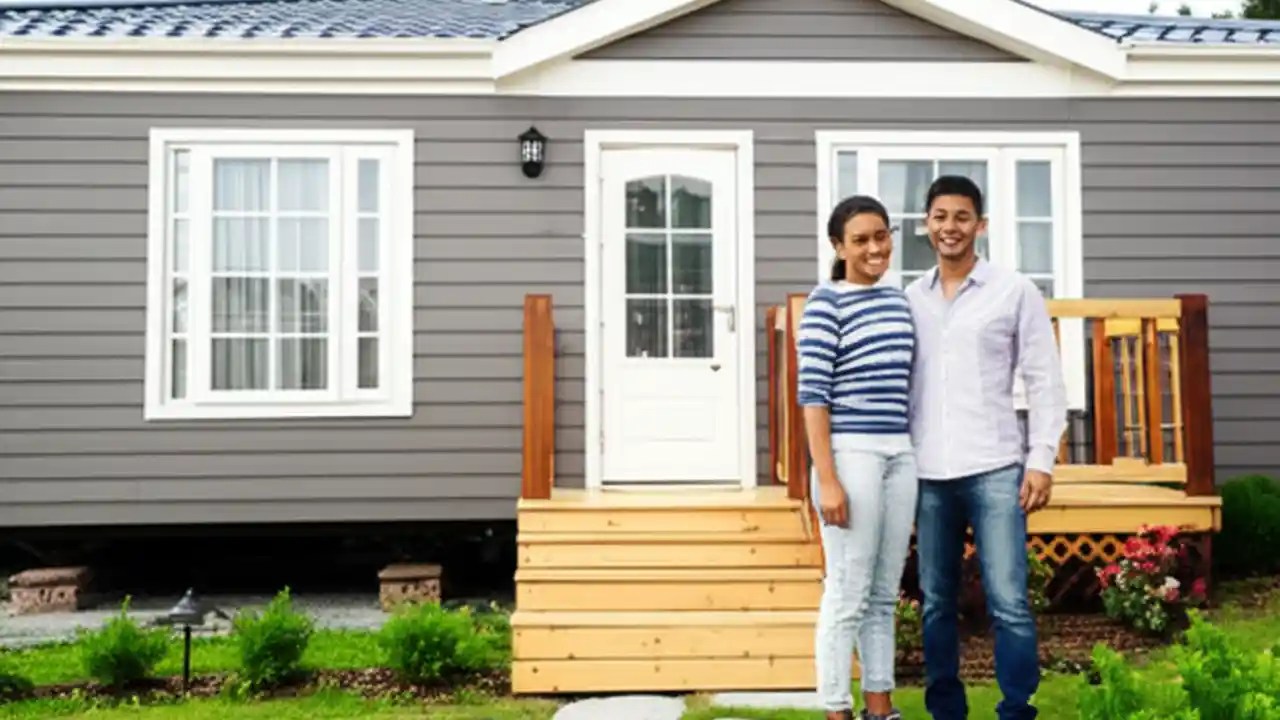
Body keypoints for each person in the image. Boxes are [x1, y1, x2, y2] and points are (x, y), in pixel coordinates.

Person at [904, 175, 1068, 720]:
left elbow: (1045, 379)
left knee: (1010, 603)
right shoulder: (910, 299)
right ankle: (946, 711)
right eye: (940, 217)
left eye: (962, 217)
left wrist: (1041, 460)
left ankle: (1017, 709)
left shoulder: (1014, 290)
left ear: (981, 225)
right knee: (936, 605)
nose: (950, 227)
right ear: (926, 224)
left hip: (996, 468)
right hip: (929, 473)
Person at [798, 195, 917, 720]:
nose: (874, 248)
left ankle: (880, 707)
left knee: (883, 594)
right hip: (851, 455)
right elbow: (813, 396)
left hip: (900, 453)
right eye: (861, 240)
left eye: (881, 236)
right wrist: (827, 479)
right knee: (846, 593)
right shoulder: (827, 302)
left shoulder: (898, 301)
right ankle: (835, 709)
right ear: (839, 247)